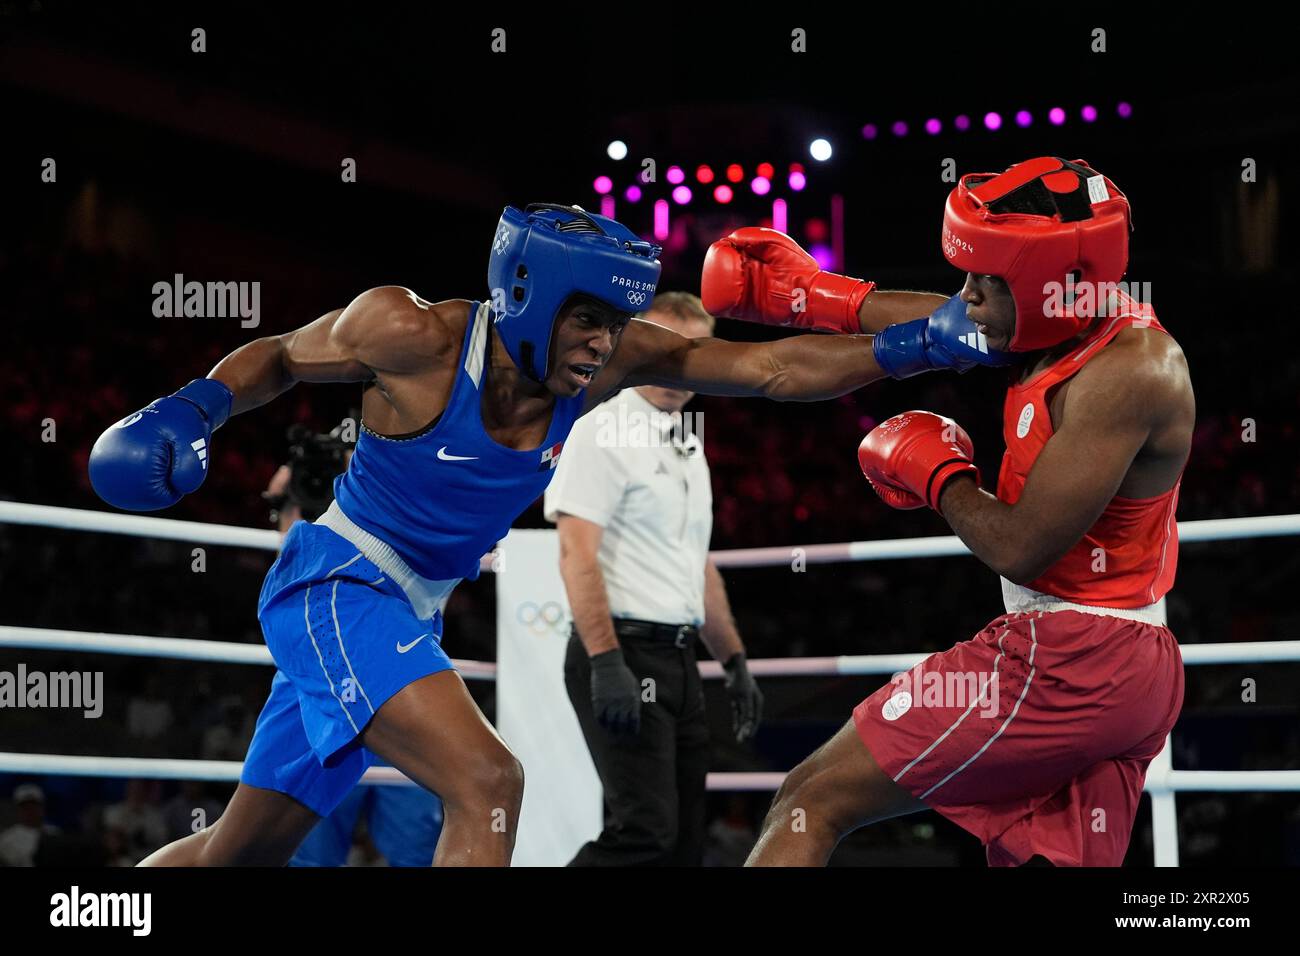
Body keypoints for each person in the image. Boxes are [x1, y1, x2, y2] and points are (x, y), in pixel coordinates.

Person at [90, 202, 1004, 866]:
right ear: (525, 294)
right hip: (336, 584)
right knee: (490, 782)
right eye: (587, 318)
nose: (604, 344)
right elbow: (285, 355)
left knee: (236, 857)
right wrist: (193, 405)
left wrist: (915, 343)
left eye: (613, 322)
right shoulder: (412, 335)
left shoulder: (612, 365)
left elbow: (769, 368)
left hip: (408, 607)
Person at [736, 157, 1192, 867]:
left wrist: (940, 474)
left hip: (1075, 659)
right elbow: (942, 320)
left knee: (809, 800)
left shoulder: (1129, 370)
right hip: (1120, 665)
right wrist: (814, 296)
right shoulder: (1065, 321)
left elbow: (1019, 547)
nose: (968, 297)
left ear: (1049, 284)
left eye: (988, 280)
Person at [544, 291, 762, 866]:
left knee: (685, 843)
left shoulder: (687, 439)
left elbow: (696, 562)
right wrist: (606, 660)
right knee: (644, 833)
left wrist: (734, 661)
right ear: (635, 343)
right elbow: (576, 553)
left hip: (680, 661)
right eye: (664, 344)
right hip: (622, 651)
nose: (675, 358)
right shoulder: (602, 425)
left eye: (690, 348)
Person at [264, 424, 444, 867]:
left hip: (400, 675)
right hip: (322, 682)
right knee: (308, 846)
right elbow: (286, 552)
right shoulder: (304, 529)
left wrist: (356, 480)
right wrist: (294, 490)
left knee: (417, 844)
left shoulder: (392, 492)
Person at [0, 784, 61, 866]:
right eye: (25, 807)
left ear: (42, 807)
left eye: (34, 806)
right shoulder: (7, 838)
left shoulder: (54, 832)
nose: (31, 811)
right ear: (17, 809)